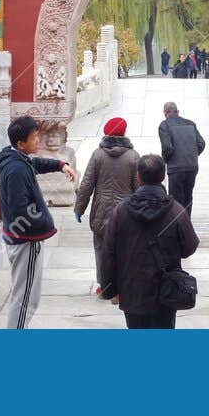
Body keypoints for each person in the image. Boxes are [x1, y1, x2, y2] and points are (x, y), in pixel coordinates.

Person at [0, 114, 76, 328]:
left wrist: (61, 165)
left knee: (25, 294)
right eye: (34, 138)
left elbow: (36, 163)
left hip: (22, 238)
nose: (38, 141)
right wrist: (45, 223)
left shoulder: (17, 159)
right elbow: (18, 209)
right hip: (25, 241)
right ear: (21, 143)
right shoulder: (16, 170)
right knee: (26, 299)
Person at [101, 153, 199, 329]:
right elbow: (189, 248)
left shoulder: (120, 211)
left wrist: (109, 288)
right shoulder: (176, 210)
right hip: (166, 291)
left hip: (132, 291)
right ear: (163, 176)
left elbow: (108, 252)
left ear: (138, 177)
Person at [72, 116, 140, 296]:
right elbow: (139, 187)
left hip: (101, 212)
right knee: (124, 250)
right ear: (124, 133)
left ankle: (104, 286)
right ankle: (122, 287)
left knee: (101, 249)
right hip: (125, 213)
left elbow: (87, 184)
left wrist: (79, 209)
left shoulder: (98, 155)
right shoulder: (133, 156)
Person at [157, 101, 205, 215]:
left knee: (176, 201)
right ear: (177, 112)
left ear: (165, 113)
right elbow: (201, 143)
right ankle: (187, 223)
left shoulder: (165, 125)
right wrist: (191, 154)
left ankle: (177, 226)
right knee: (188, 197)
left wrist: (166, 160)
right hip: (192, 166)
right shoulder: (191, 124)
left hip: (176, 168)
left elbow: (167, 147)